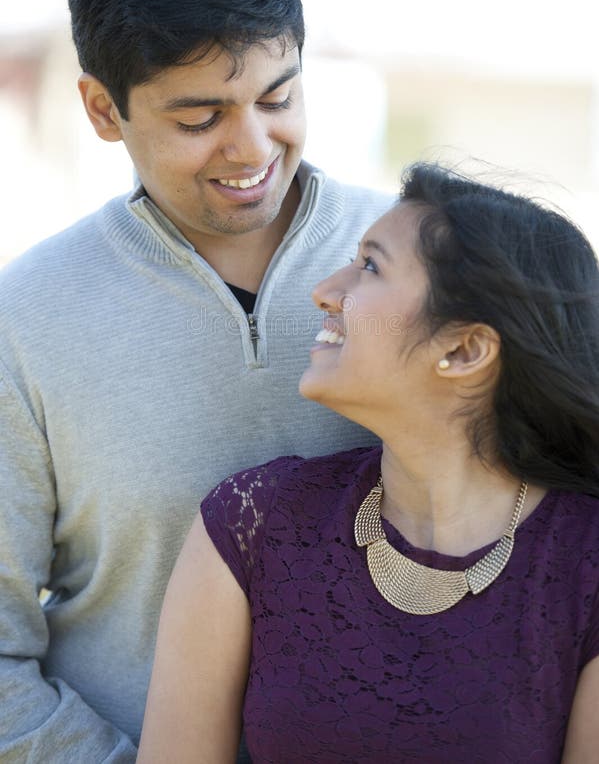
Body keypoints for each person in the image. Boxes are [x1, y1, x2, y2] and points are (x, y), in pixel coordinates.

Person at [0, 0, 392, 762]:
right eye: (199, 118)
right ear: (104, 110)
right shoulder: (24, 320)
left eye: (277, 96)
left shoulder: (420, 266)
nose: (251, 147)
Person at [138, 163, 599, 764]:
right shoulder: (252, 525)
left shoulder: (584, 566)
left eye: (371, 266)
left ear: (463, 349)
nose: (326, 290)